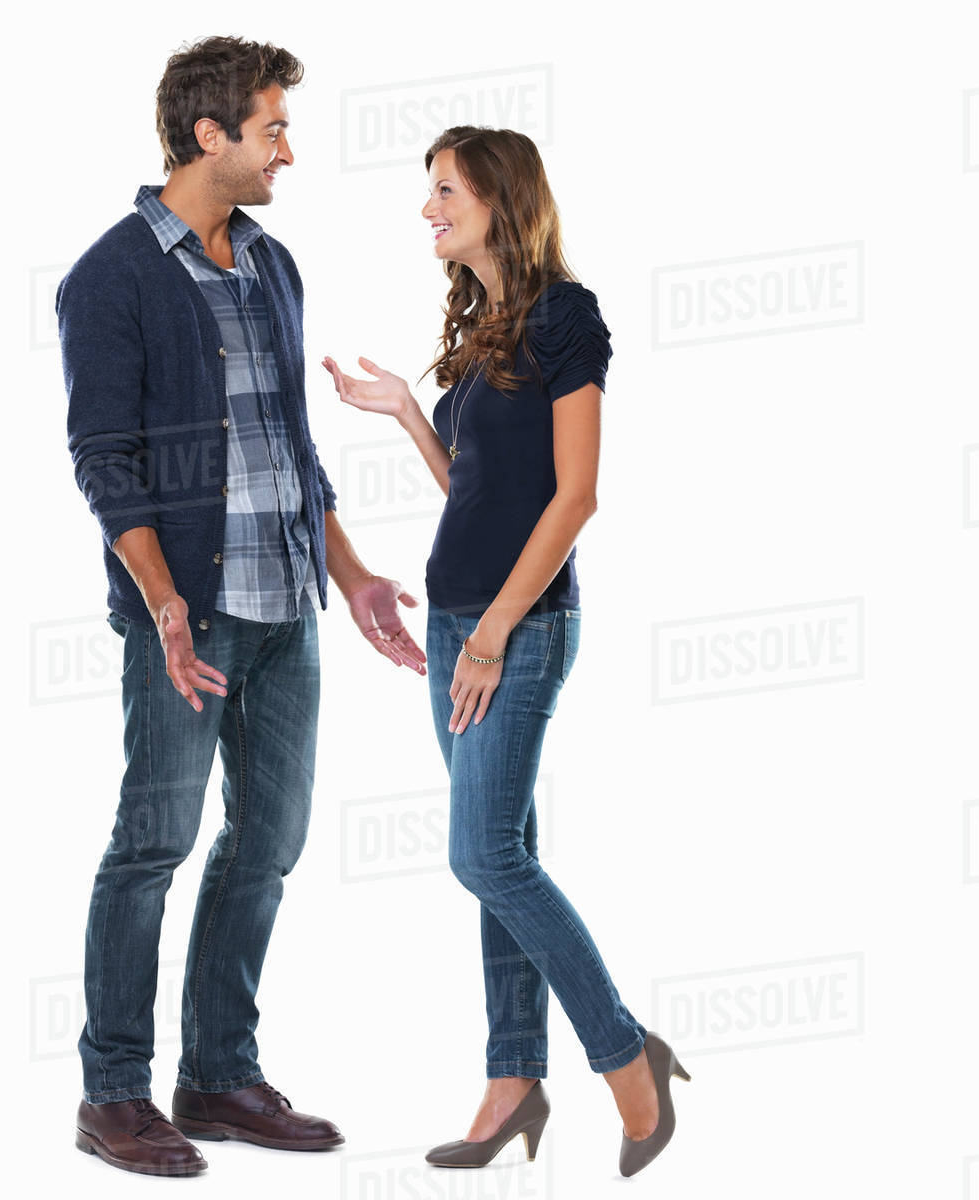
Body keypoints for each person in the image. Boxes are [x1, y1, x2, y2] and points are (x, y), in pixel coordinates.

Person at [57, 35, 426, 1177]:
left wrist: (354, 576)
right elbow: (104, 463)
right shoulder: (109, 278)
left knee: (269, 841)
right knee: (153, 844)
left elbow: (292, 453)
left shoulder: (273, 265)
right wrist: (163, 602)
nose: (288, 153)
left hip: (287, 611)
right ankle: (114, 1093)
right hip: (191, 621)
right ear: (208, 134)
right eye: (273, 130)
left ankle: (217, 1074)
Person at [322, 125, 690, 1178]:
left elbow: (575, 499)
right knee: (502, 854)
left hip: (513, 631)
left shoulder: (566, 316)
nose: (427, 209)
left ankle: (625, 1055)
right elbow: (477, 495)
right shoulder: (486, 333)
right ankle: (514, 1079)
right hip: (459, 626)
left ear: (500, 198)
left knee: (484, 855)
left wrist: (490, 636)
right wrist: (410, 414)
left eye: (445, 190)